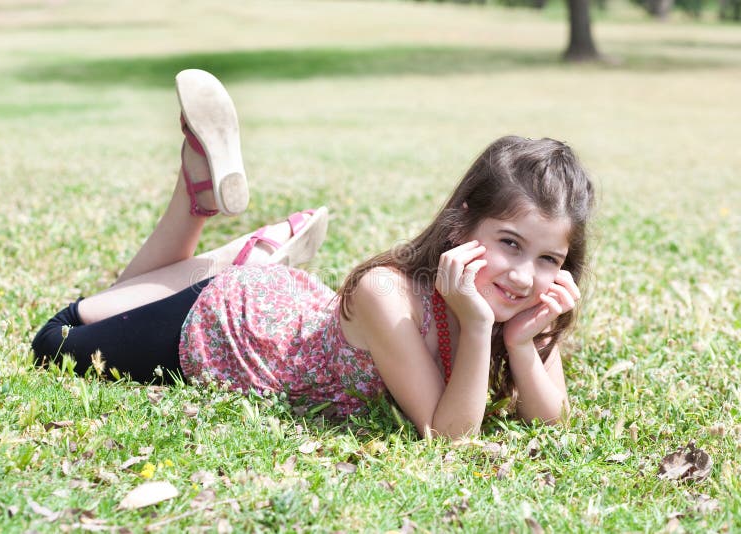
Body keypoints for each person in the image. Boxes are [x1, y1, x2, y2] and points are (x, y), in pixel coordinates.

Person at [33, 69, 595, 439]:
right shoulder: (388, 293)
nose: (525, 275)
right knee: (53, 341)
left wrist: (524, 344)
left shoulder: (515, 301)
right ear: (460, 227)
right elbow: (447, 436)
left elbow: (548, 421)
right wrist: (476, 330)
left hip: (291, 307)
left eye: (550, 259)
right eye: (510, 244)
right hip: (228, 330)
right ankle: (207, 221)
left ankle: (237, 247)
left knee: (111, 307)